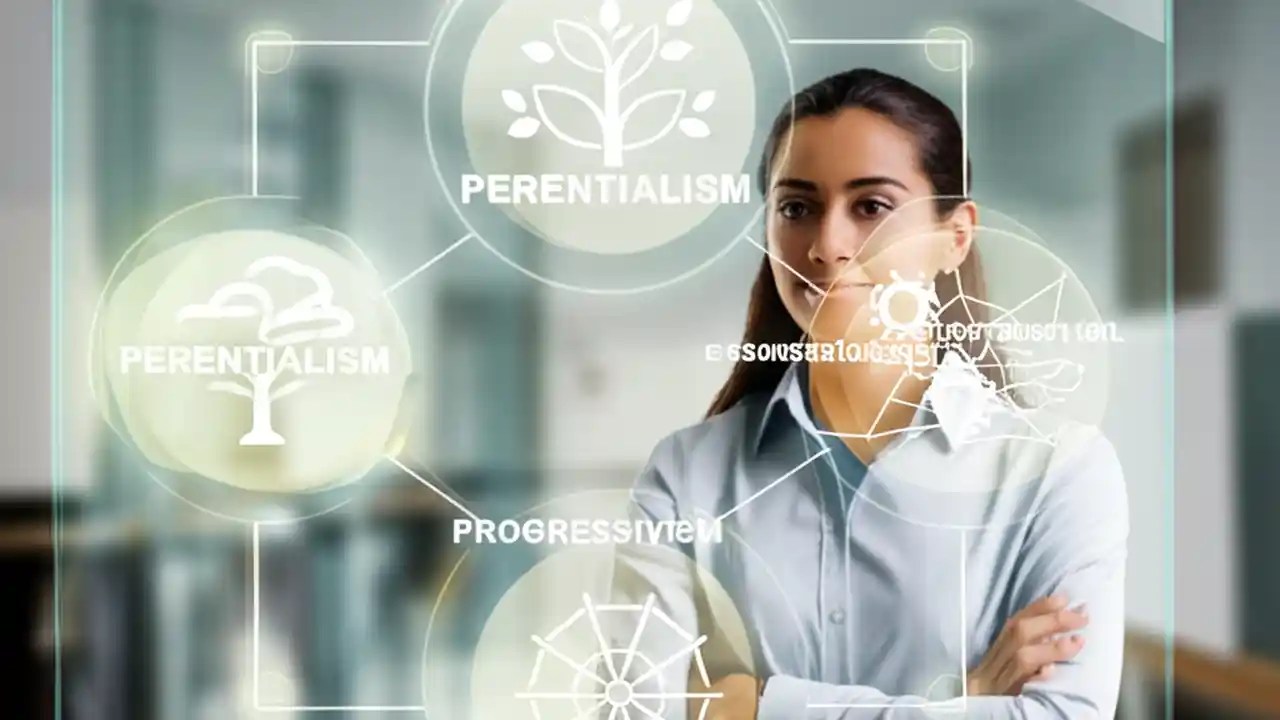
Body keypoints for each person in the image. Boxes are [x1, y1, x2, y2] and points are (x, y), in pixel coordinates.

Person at [612, 68, 1128, 719]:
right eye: (796, 208)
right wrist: (957, 703)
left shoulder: (1059, 472)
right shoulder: (687, 474)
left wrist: (756, 705)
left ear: (955, 236)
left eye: (872, 207)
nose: (828, 245)